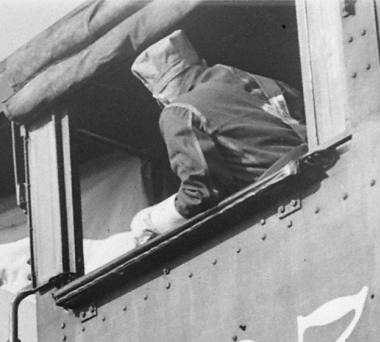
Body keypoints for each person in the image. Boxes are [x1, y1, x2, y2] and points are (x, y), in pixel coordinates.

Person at [128, 29, 307, 244]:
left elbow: (200, 194)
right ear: (200, 63)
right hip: (315, 169)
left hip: (283, 201)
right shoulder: (255, 80)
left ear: (160, 96)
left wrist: (151, 221)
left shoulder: (178, 110)